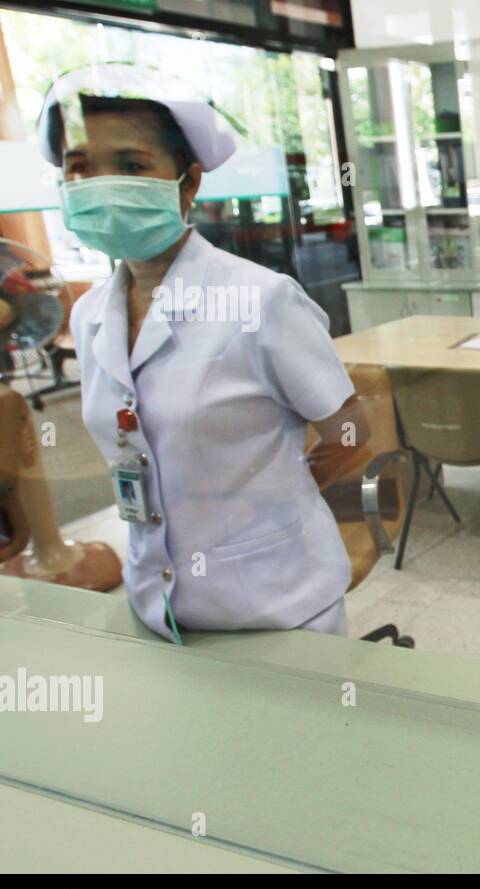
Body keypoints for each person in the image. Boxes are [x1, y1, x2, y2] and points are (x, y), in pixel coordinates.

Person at [38, 65, 369, 638]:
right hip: (153, 603)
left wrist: (273, 504)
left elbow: (352, 433)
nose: (101, 185)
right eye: (81, 168)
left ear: (187, 184)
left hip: (276, 604)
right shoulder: (91, 314)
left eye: (132, 166)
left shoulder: (261, 300)